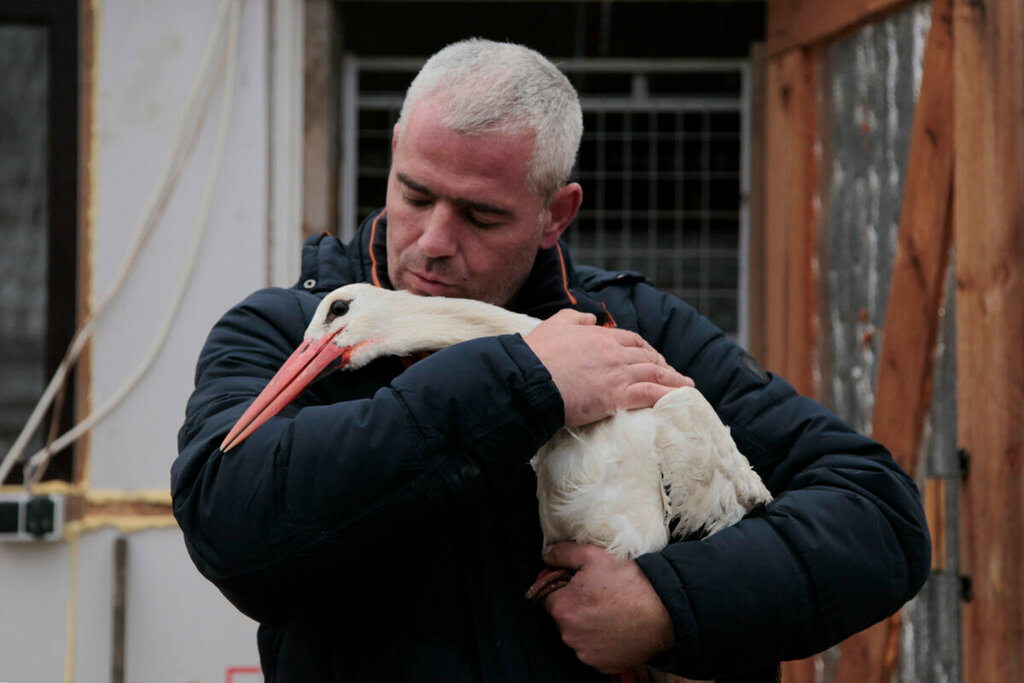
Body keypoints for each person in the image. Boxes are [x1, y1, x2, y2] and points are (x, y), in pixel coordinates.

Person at [172, 39, 931, 681]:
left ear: (554, 214)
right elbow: (232, 529)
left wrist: (668, 602)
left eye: (481, 214)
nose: (434, 239)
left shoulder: (634, 331)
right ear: (395, 151)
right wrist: (529, 380)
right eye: (414, 194)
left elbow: (878, 515)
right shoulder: (288, 332)